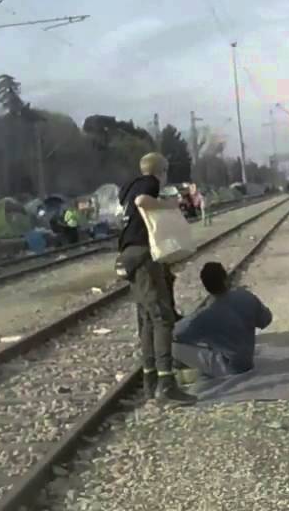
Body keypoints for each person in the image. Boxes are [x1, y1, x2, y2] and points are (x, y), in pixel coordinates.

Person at [115, 152, 195, 405]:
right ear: (162, 170)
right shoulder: (149, 183)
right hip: (143, 254)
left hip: (128, 254)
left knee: (147, 318)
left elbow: (132, 204)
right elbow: (143, 201)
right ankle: (166, 386)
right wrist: (169, 206)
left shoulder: (127, 187)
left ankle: (150, 381)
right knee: (162, 317)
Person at [173, 262, 273, 378]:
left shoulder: (206, 314)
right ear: (225, 278)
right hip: (247, 360)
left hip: (228, 368)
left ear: (205, 286)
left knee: (170, 347)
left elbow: (176, 334)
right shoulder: (245, 296)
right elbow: (266, 320)